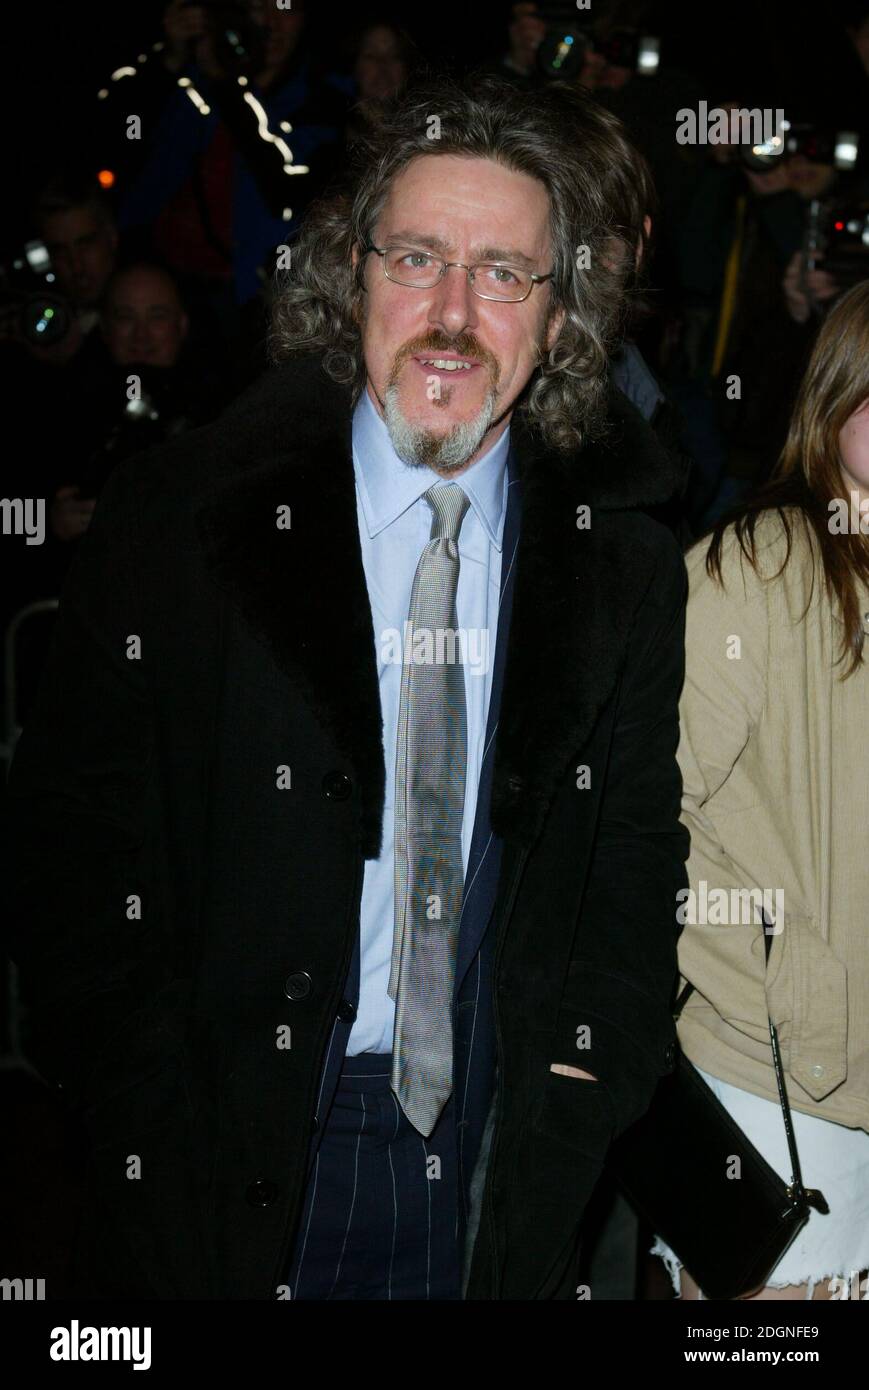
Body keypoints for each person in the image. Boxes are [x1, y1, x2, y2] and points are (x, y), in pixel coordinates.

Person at [3, 72, 688, 1302]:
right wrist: (139, 1094)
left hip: (487, 1170)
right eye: (415, 256)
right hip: (216, 1151)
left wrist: (581, 1092)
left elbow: (629, 862)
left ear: (561, 313)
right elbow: (73, 847)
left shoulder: (623, 562)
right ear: (349, 274)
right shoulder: (181, 523)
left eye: (501, 273)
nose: (451, 312)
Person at [651, 279, 869, 1301]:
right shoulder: (750, 571)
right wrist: (785, 976)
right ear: (832, 399)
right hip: (772, 1077)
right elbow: (639, 811)